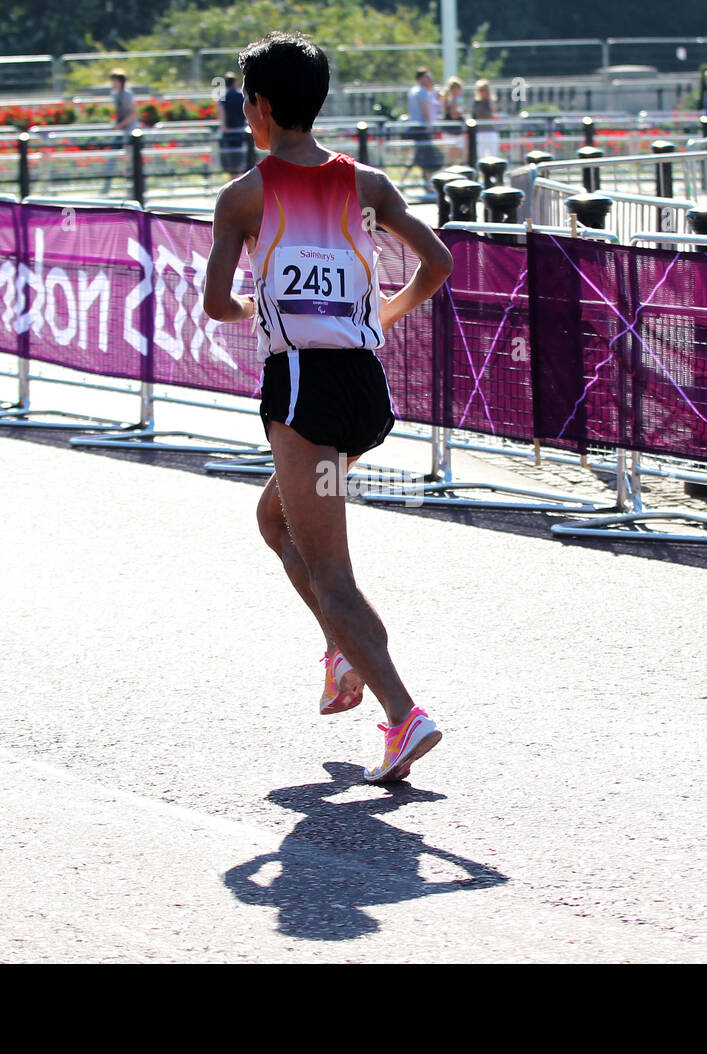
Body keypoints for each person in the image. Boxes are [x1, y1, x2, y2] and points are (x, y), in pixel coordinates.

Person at [203, 33, 453, 783]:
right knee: (275, 519)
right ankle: (341, 653)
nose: (243, 112)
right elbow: (436, 264)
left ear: (261, 106)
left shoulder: (244, 194)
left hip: (303, 390)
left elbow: (218, 304)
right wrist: (382, 314)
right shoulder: (368, 183)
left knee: (332, 574)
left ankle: (404, 715)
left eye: (243, 101)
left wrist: (264, 304)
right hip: (362, 392)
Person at [100, 67, 138, 194]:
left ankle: (135, 186)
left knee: (132, 159)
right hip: (121, 131)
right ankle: (107, 185)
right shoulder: (115, 94)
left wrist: (120, 125)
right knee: (113, 156)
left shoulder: (127, 95)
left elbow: (133, 113)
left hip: (129, 131)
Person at [404, 67, 443, 186]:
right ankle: (427, 183)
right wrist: (429, 127)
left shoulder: (415, 91)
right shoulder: (422, 92)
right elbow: (425, 111)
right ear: (421, 78)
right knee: (428, 155)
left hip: (416, 127)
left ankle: (421, 181)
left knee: (418, 156)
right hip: (422, 128)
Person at [218, 72, 249, 174]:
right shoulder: (240, 95)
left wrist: (223, 126)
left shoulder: (223, 97)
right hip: (240, 130)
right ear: (234, 82)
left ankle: (233, 177)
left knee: (230, 157)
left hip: (228, 131)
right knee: (241, 156)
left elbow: (221, 111)